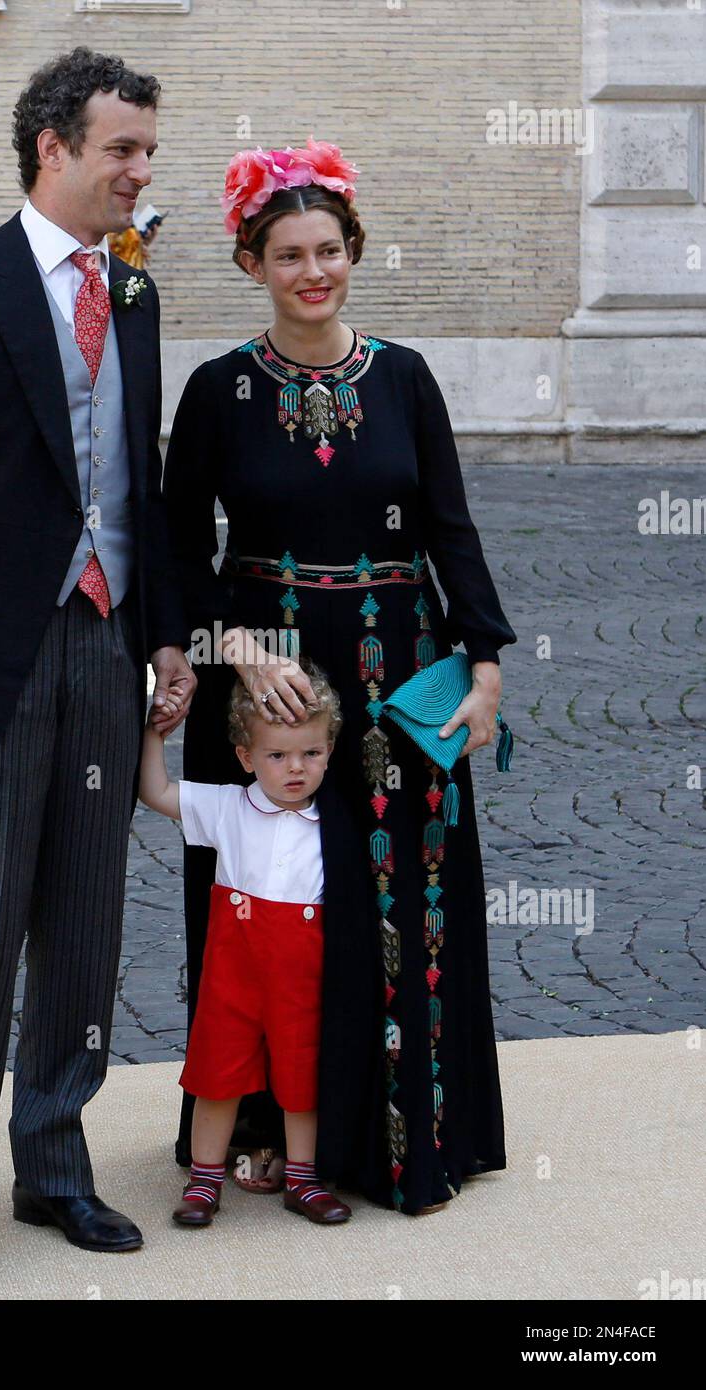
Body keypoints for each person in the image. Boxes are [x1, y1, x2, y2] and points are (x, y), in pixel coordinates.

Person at [0, 48, 195, 1284]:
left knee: (84, 917)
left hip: (107, 643)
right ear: (52, 146)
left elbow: (140, 486)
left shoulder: (137, 296)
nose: (140, 171)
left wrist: (162, 636)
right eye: (122, 149)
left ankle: (55, 1165)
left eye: (148, 151)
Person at [162, 140, 518, 1215]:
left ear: (352, 251)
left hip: (397, 671)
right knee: (259, 909)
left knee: (399, 902)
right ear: (251, 262)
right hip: (263, 679)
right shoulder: (216, 390)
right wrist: (238, 650)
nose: (310, 271)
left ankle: (406, 1131)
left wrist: (487, 663)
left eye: (327, 250)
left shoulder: (404, 377)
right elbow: (180, 558)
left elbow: (449, 527)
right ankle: (260, 1128)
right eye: (286, 254)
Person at [139, 659, 352, 1227]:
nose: (295, 769)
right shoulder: (228, 807)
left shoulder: (337, 826)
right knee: (218, 1074)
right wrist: (155, 731)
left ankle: (302, 1179)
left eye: (310, 753)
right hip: (233, 974)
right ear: (246, 757)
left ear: (330, 751)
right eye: (277, 756)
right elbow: (154, 790)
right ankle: (205, 1180)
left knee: (303, 1078)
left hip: (303, 977)